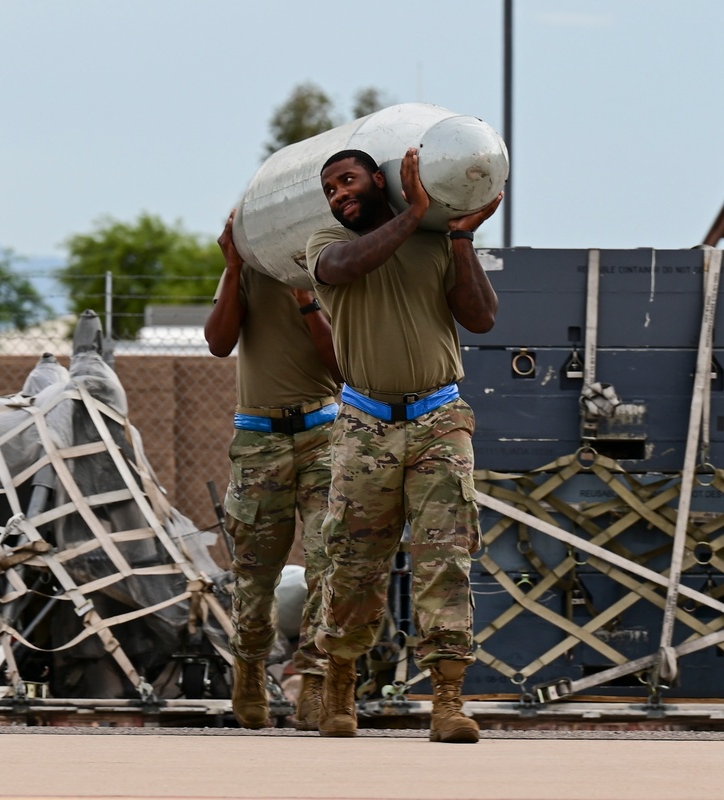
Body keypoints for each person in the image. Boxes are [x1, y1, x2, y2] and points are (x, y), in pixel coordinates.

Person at [304, 147, 503, 742]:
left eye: (348, 180)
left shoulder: (436, 242)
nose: (340, 194)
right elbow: (346, 266)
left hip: (440, 418)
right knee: (354, 563)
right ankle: (341, 683)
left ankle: (447, 702)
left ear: (378, 179)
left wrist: (461, 238)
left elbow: (481, 318)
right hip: (365, 427)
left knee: (446, 559)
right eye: (331, 189)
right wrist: (415, 212)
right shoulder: (325, 244)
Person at [205, 209, 342, 730]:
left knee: (329, 562)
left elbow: (343, 367)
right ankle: (249, 668)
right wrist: (233, 267)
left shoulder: (333, 266)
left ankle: (315, 680)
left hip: (322, 434)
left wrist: (306, 298)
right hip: (260, 439)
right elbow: (219, 342)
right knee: (256, 572)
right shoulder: (249, 268)